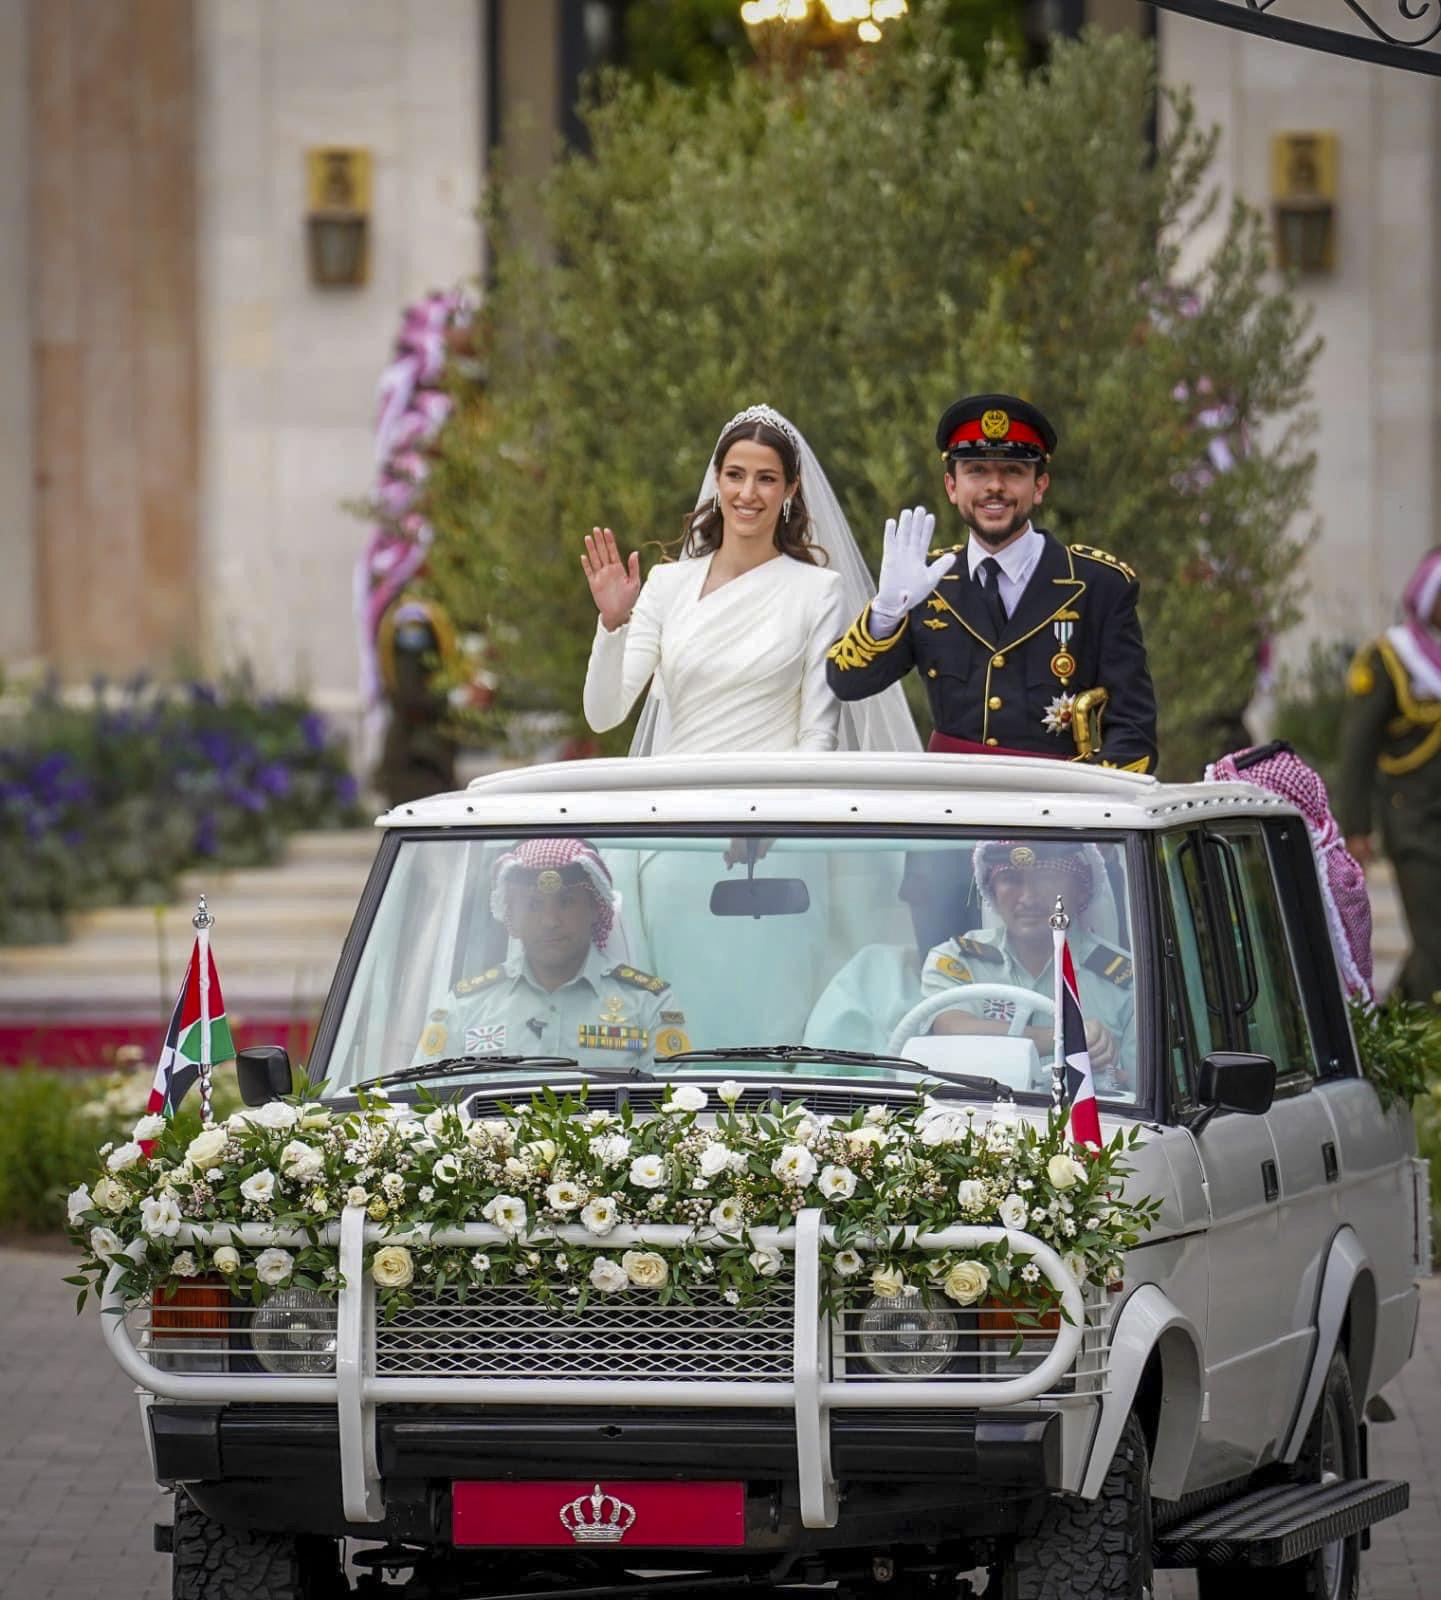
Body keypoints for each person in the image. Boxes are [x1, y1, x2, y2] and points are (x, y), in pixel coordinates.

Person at [825, 393, 1158, 771]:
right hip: (955, 809)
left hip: (1057, 814)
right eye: (977, 470)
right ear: (952, 486)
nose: (994, 486)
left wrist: (1081, 813)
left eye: (1013, 471)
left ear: (1040, 485)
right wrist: (884, 614)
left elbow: (1134, 736)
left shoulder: (1098, 584)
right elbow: (846, 683)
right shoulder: (926, 580)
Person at [581, 404, 918, 755]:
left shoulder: (819, 591)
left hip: (770, 802)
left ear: (790, 489)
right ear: (717, 478)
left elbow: (818, 734)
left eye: (767, 478)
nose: (747, 493)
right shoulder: (666, 584)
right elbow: (603, 716)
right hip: (677, 802)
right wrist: (613, 622)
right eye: (736, 475)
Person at [411, 837, 690, 1069]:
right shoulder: (466, 1007)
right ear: (512, 914)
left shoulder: (648, 1004)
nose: (550, 920)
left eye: (566, 902)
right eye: (533, 904)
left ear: (595, 908)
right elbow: (427, 1108)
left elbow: (675, 1112)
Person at [919, 840, 1136, 1091]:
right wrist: (1068, 1038)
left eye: (1046, 878)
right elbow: (951, 1028)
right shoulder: (958, 958)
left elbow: (1137, 1087)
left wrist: (1110, 1071)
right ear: (992, 892)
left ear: (1081, 890)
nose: (1028, 897)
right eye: (1011, 879)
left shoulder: (1128, 979)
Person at [1336, 548, 1441, 1002]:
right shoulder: (1392, 656)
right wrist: (1356, 829)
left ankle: (1394, 1028)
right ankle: (1412, 1035)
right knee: (1434, 941)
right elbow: (1357, 750)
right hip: (1412, 822)